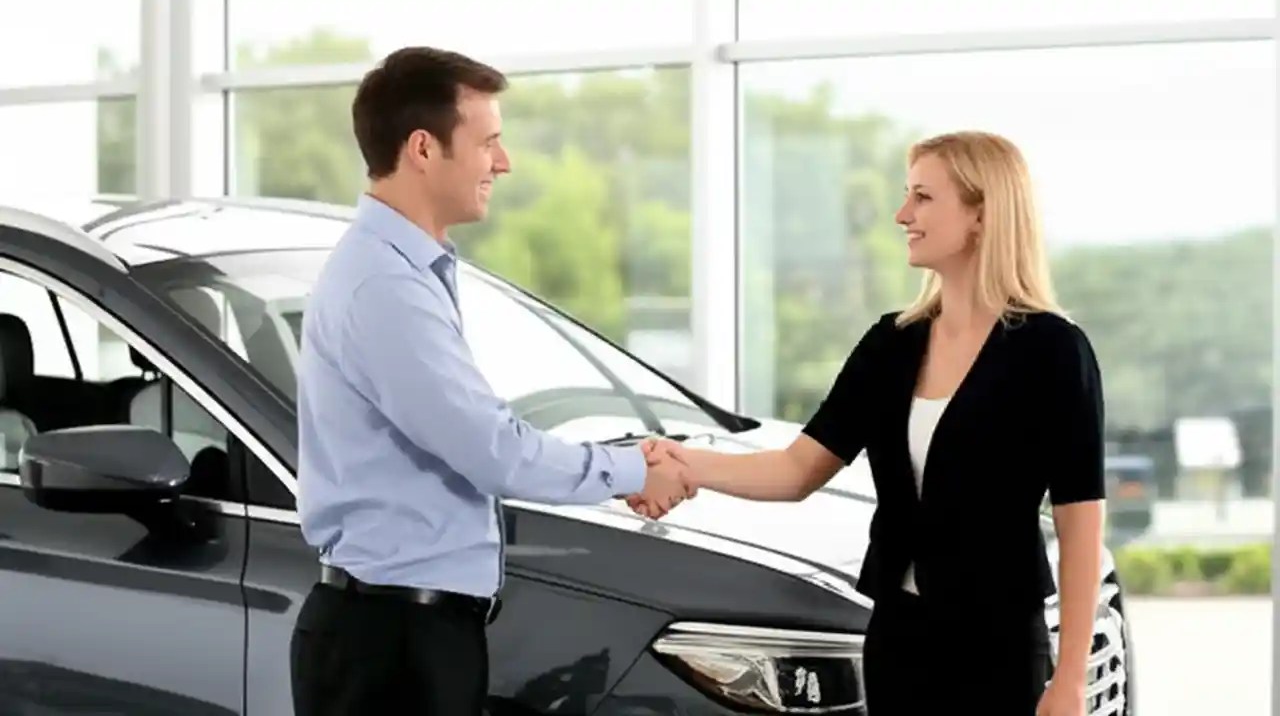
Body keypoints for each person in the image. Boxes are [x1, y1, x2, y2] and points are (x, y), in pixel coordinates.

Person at [637, 131, 1106, 715]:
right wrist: (686, 463)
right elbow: (796, 469)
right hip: (897, 638)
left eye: (923, 198)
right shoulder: (891, 344)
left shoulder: (1054, 351)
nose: (901, 214)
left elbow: (1081, 522)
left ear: (982, 213)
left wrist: (1069, 682)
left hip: (999, 645)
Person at [289, 46, 694, 716]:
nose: (502, 163)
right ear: (424, 148)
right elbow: (491, 449)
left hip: (406, 632)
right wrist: (631, 470)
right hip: (390, 645)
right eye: (489, 143)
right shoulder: (385, 285)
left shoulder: (405, 271)